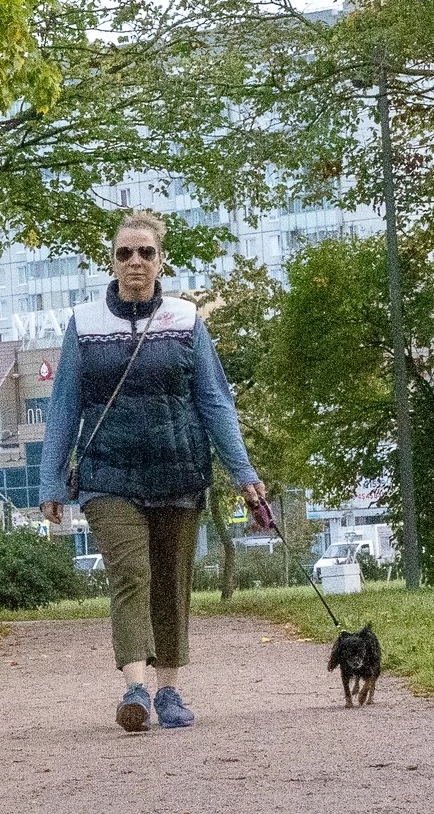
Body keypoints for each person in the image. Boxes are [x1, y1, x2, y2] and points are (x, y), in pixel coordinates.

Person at [37, 211, 268, 733]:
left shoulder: (186, 321)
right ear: (113, 263)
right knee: (130, 574)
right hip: (108, 476)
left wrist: (243, 473)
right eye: (125, 254)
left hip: (179, 472)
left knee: (171, 583)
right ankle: (135, 690)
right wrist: (52, 481)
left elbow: (215, 402)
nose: (135, 262)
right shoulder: (85, 323)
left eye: (145, 253)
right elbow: (63, 407)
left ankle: (169, 692)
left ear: (161, 260)